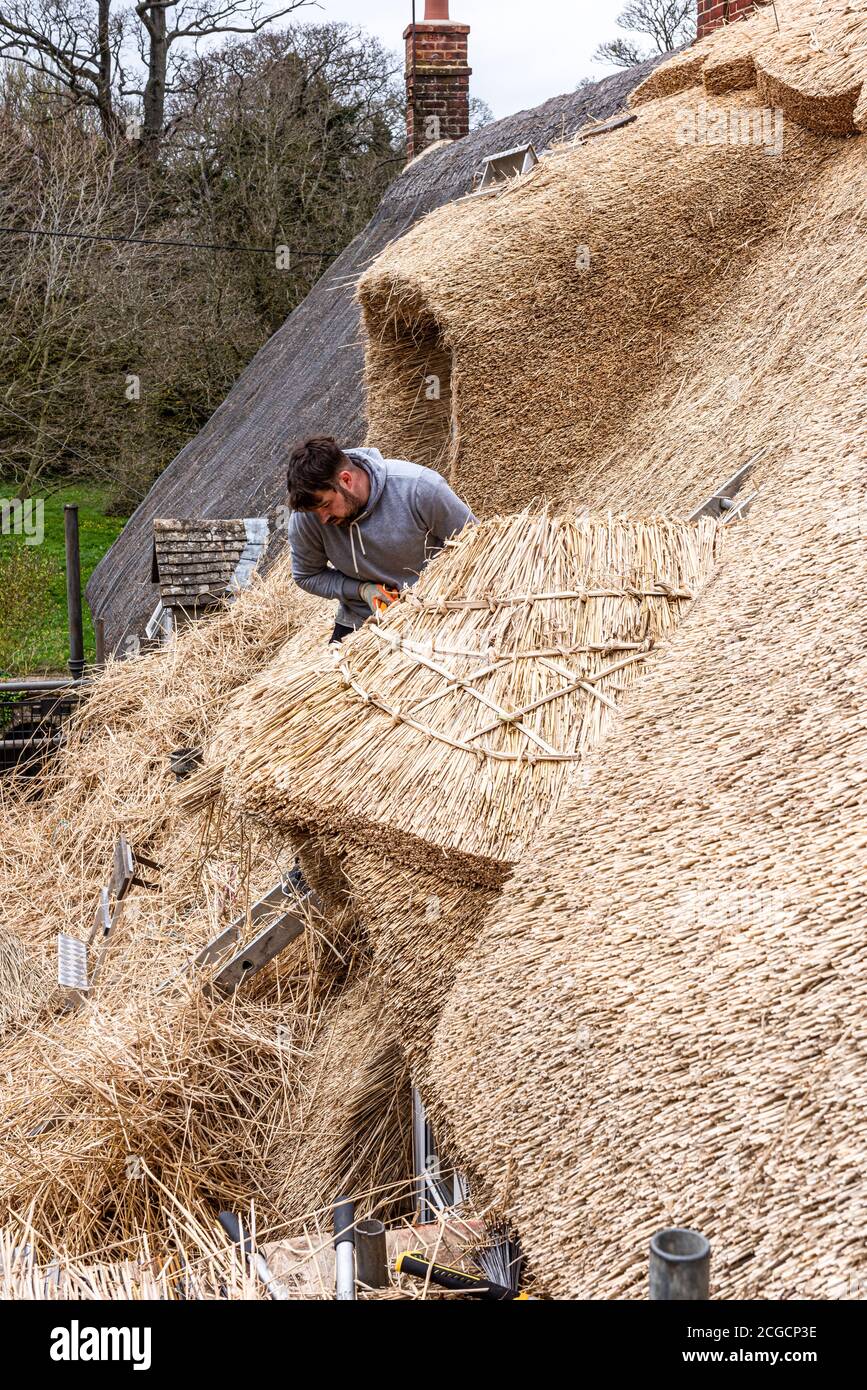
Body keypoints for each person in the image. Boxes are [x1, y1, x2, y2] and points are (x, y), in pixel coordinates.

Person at [286, 436, 475, 643]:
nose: (323, 519)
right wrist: (361, 590)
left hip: (435, 603)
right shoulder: (308, 516)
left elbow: (477, 542)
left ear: (346, 480)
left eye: (326, 505)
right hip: (364, 616)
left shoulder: (419, 488)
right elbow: (306, 575)